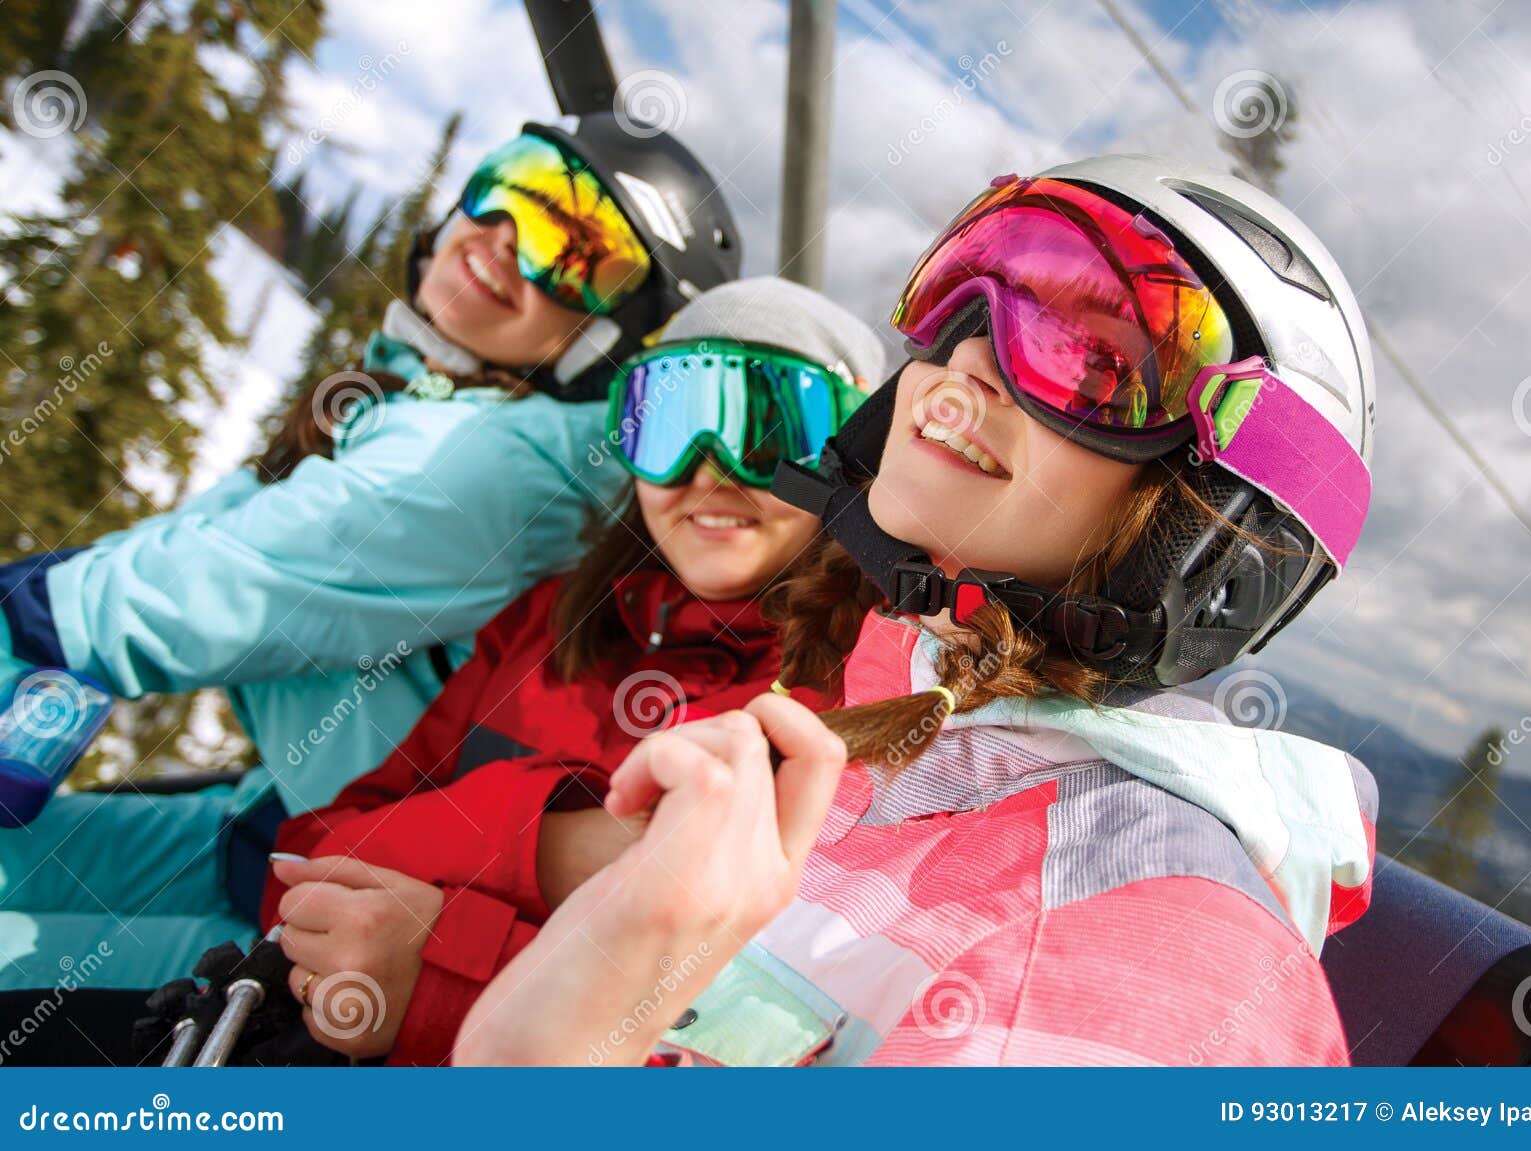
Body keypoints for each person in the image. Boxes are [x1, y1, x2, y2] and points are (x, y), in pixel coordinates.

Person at [457, 155, 1382, 1066]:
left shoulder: (1152, 961)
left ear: (1214, 536)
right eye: (961, 295)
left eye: (1090, 359)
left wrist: (527, 1050)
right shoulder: (882, 742)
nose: (969, 357)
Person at [0, 114, 742, 991]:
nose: (506, 240)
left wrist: (33, 628)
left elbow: (199, 590)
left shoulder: (499, 470)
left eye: (576, 252)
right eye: (511, 188)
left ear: (612, 342)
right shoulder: (430, 402)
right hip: (270, 838)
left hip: (342, 921)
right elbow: (193, 544)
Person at [259, 277, 884, 1065]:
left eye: (767, 435)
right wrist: (563, 844)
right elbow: (311, 865)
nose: (710, 473)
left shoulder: (836, 706)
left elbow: (763, 1042)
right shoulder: (549, 624)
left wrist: (445, 973)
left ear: (847, 466)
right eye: (671, 426)